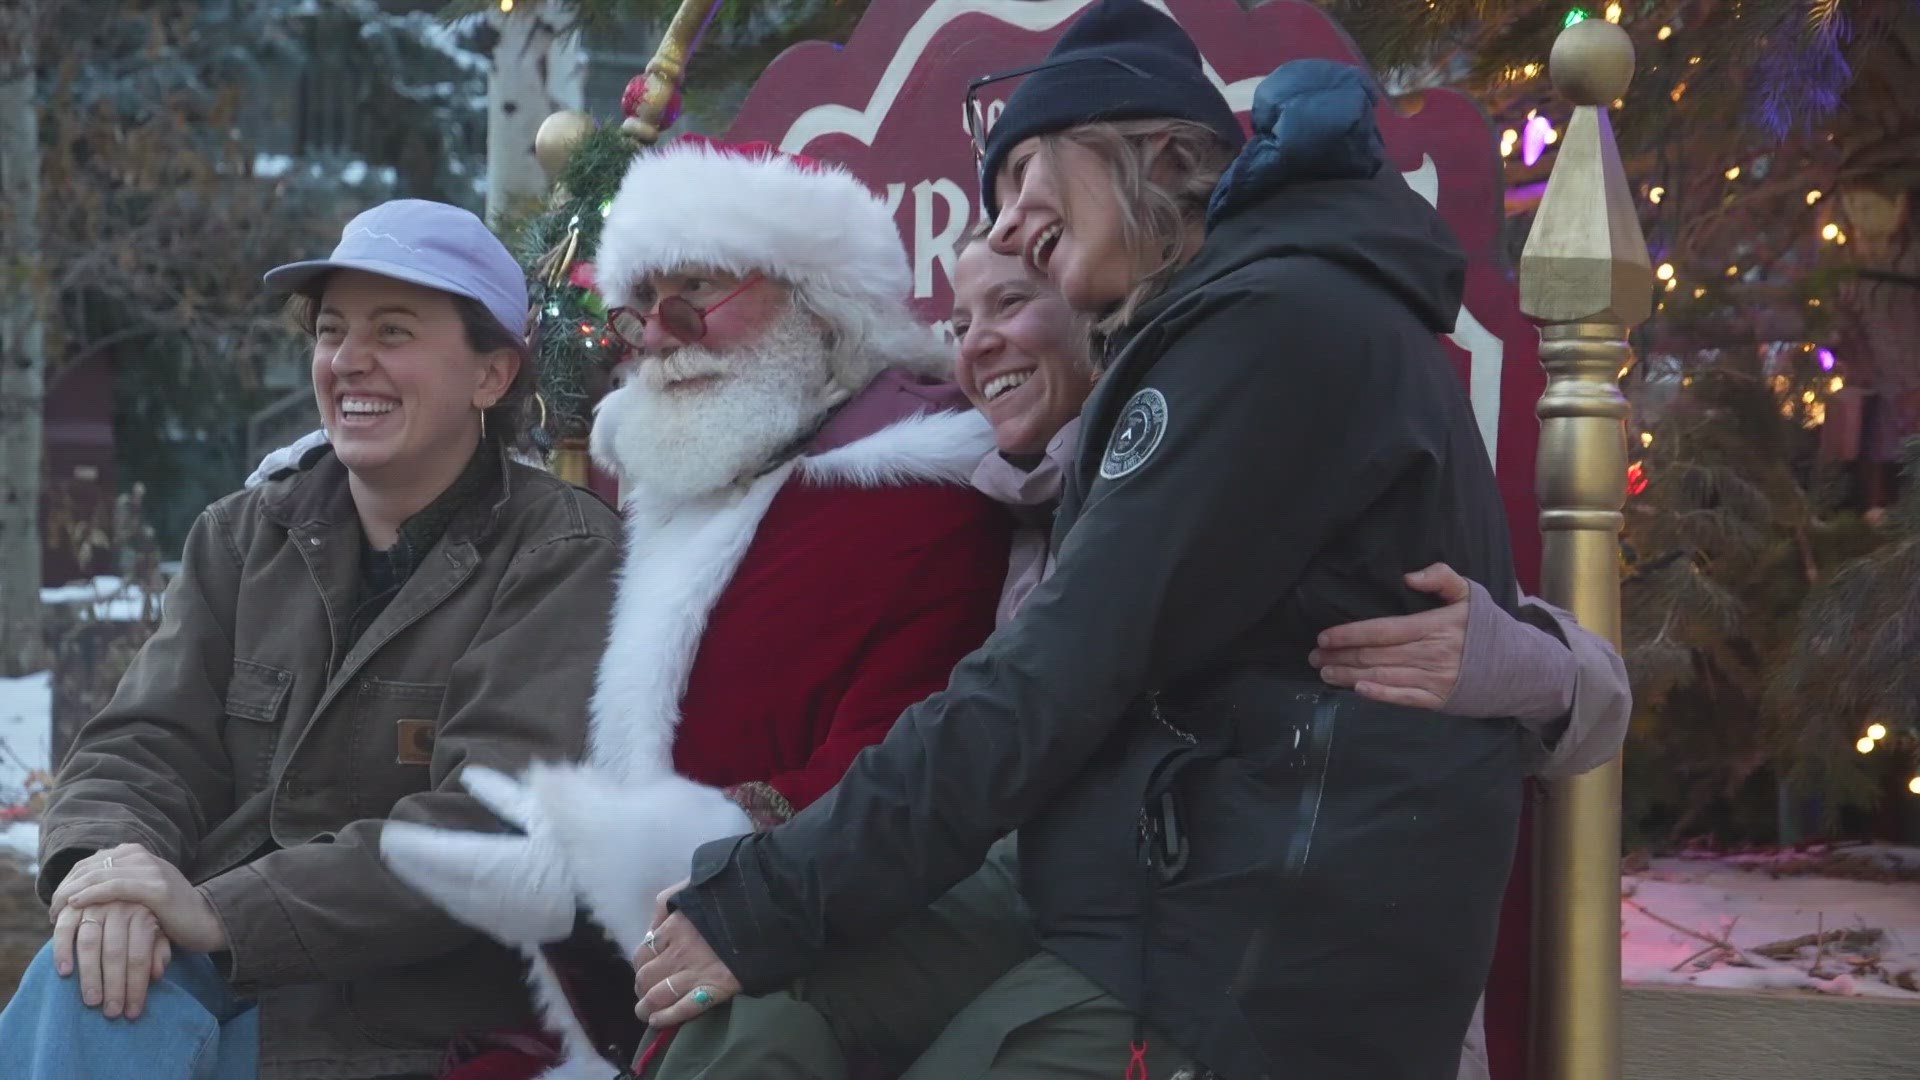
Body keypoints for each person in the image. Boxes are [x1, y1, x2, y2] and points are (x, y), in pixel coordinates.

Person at [632, 2, 1575, 1076]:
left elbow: (1057, 671)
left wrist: (776, 890)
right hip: (1118, 870)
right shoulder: (1186, 348)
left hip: (1266, 933)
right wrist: (769, 911)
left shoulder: (1275, 328)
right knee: (747, 1010)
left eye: (1029, 173)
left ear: (1166, 155)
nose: (1009, 221)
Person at [370, 136, 1016, 1080]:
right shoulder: (684, 481)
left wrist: (659, 847)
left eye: (695, 295)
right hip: (647, 982)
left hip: (814, 969)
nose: (662, 337)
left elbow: (901, 764)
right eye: (639, 313)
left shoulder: (917, 498)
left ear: (817, 299)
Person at [0, 199, 626, 1080]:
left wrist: (217, 915)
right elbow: (142, 744)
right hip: (201, 974)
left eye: (394, 331)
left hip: (406, 1021)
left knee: (94, 1005)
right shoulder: (243, 536)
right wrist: (111, 878)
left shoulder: (560, 556)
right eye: (332, 331)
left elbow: (489, 828)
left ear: (492, 374)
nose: (349, 361)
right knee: (87, 976)